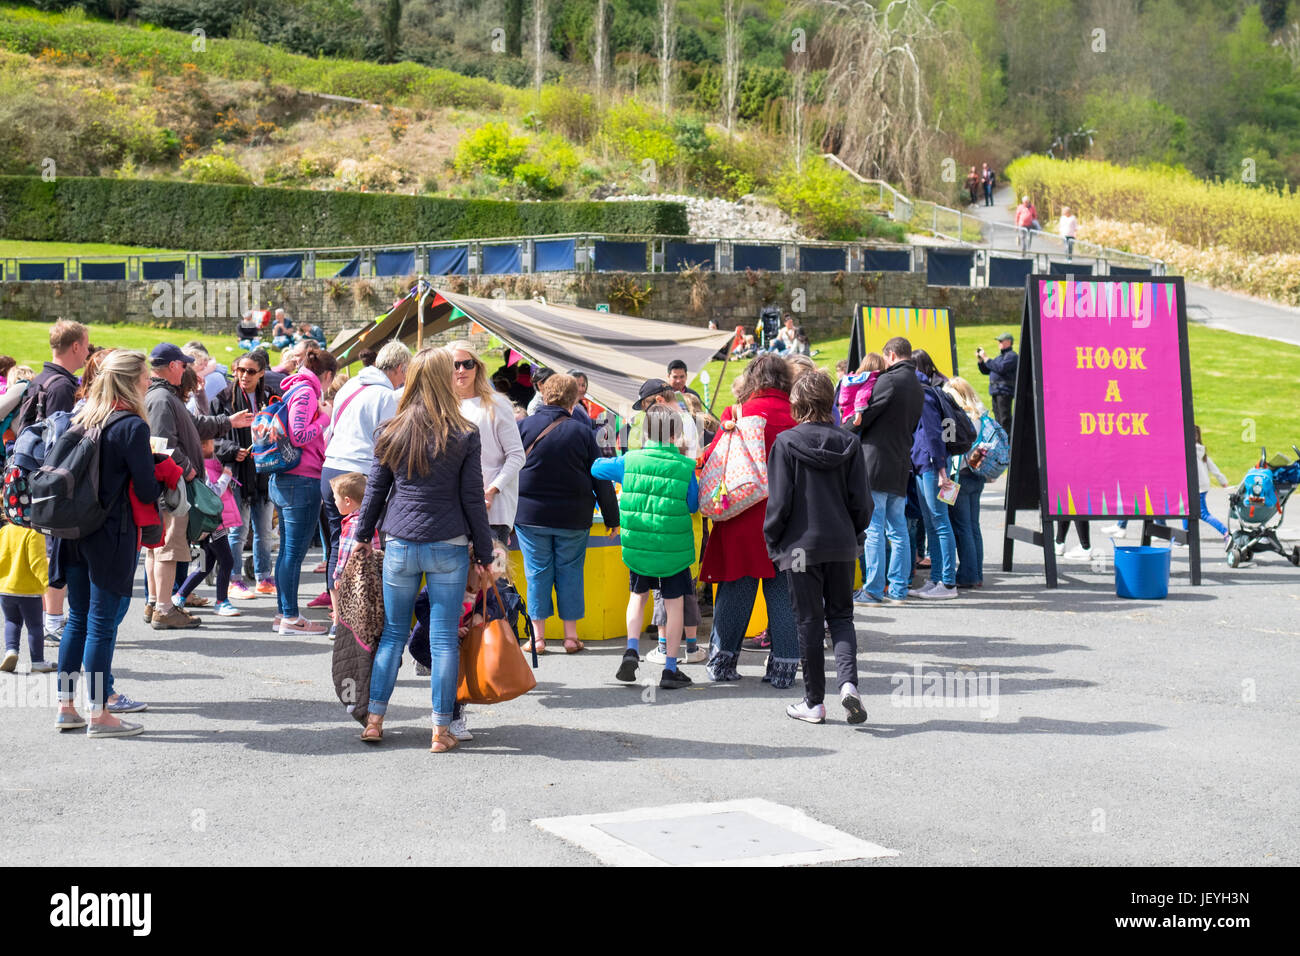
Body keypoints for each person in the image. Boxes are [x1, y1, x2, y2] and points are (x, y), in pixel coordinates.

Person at [351, 347, 496, 752]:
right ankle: (440, 729)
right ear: (443, 380)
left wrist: (362, 536)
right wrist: (484, 553)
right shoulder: (464, 433)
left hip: (399, 542)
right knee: (444, 638)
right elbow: (472, 500)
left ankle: (375, 719)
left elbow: (375, 492)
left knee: (393, 635)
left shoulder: (390, 430)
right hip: (449, 542)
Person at [54, 350, 181, 737]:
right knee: (102, 625)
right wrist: (160, 469)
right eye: (144, 376)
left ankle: (67, 707)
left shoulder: (80, 416)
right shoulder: (131, 426)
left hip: (71, 531)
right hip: (110, 533)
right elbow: (144, 487)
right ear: (130, 380)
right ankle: (100, 713)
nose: (148, 381)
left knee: (76, 619)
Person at [765, 370, 873, 724]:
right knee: (841, 617)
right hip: (841, 543)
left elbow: (779, 503)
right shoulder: (850, 443)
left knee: (808, 621)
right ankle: (849, 686)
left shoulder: (785, 443)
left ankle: (814, 702)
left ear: (797, 403)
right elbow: (862, 503)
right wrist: (852, 533)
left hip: (799, 547)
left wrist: (772, 539)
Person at [701, 353, 799, 688]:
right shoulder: (799, 414)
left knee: (736, 589)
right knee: (784, 594)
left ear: (753, 379)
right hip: (789, 518)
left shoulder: (737, 414)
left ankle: (722, 662)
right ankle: (784, 669)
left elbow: (712, 460)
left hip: (743, 515)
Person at [595, 403, 699, 690]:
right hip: (673, 547)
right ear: (676, 432)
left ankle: (631, 650)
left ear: (646, 431)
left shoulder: (631, 461)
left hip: (639, 545)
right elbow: (693, 503)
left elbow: (596, 468)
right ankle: (670, 668)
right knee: (673, 604)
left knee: (637, 597)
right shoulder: (685, 465)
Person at [515, 374, 619, 654]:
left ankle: (537, 638)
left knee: (537, 573)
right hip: (573, 516)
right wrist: (612, 518)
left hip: (530, 515)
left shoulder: (523, 426)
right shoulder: (582, 432)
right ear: (574, 399)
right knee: (570, 571)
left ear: (545, 394)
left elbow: (510, 469)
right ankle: (570, 637)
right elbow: (601, 478)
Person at [14, 320, 90, 648]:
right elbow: (60, 442)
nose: (88, 351)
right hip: (52, 481)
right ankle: (53, 621)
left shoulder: (41, 380)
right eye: (86, 345)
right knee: (55, 552)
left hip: (36, 477)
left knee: (51, 551)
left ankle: (51, 619)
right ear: (75, 346)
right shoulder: (60, 386)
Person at [320, 340, 410, 590]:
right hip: (359, 471)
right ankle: (355, 615)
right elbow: (386, 445)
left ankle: (337, 614)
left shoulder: (350, 385)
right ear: (400, 368)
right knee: (363, 543)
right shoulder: (385, 396)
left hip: (331, 466)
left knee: (337, 543)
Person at [849, 336, 924, 606]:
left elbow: (864, 416)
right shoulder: (917, 385)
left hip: (877, 462)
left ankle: (873, 590)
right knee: (898, 529)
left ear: (890, 355)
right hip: (900, 463)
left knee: (874, 529)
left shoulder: (889, 381)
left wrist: (846, 428)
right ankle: (899, 589)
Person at [269, 344, 336, 635]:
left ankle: (284, 612)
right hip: (301, 479)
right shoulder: (308, 392)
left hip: (284, 478)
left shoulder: (294, 387)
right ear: (329, 375)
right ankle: (292, 618)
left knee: (287, 552)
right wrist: (325, 418)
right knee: (293, 554)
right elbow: (298, 435)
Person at [449, 341, 525, 545]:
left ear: (478, 367)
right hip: (453, 510)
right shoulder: (444, 407)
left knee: (494, 575)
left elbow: (517, 455)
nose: (461, 370)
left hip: (494, 512)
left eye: (468, 364)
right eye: (455, 365)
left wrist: (493, 489)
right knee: (461, 577)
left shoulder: (497, 404)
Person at [213, 349, 275, 598]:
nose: (244, 376)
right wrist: (232, 450)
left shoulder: (269, 396)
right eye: (240, 370)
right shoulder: (224, 398)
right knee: (238, 530)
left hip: (264, 472)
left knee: (264, 530)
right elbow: (211, 436)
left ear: (261, 374)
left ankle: (263, 577)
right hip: (236, 473)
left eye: (250, 372)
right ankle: (234, 578)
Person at [909, 349, 958, 600]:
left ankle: (947, 582)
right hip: (926, 465)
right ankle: (938, 577)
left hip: (931, 466)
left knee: (939, 522)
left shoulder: (923, 394)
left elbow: (933, 434)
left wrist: (941, 470)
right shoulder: (928, 390)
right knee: (933, 524)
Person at [172, 438, 240, 617]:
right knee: (226, 561)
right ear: (202, 446)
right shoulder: (204, 468)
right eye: (212, 442)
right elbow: (213, 493)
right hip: (213, 524)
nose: (215, 446)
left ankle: (180, 596)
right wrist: (226, 476)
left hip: (208, 524)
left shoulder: (201, 464)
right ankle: (221, 601)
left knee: (206, 564)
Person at [944, 377, 991, 589]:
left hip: (959, 474)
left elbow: (950, 446)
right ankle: (977, 573)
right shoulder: (980, 415)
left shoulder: (957, 416)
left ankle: (967, 575)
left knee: (962, 527)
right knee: (973, 526)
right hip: (976, 473)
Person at [0, 518, 53, 673]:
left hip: (6, 589)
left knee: (11, 621)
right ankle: (37, 662)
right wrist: (46, 581)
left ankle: (11, 651)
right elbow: (37, 562)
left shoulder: (4, 531)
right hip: (29, 591)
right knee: (35, 626)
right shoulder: (34, 533)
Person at [976, 333, 1018, 433]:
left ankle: (1009, 443)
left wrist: (986, 358)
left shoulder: (1012, 356)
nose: (999, 343)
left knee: (1004, 419)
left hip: (1004, 392)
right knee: (998, 419)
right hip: (996, 392)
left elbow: (1000, 368)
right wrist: (981, 361)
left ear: (1008, 342)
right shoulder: (1000, 357)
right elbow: (987, 370)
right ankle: (1002, 443)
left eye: (1000, 341)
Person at [837, 353, 886, 428]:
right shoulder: (870, 378)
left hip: (846, 411)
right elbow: (862, 394)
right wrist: (858, 413)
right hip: (854, 414)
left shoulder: (854, 377)